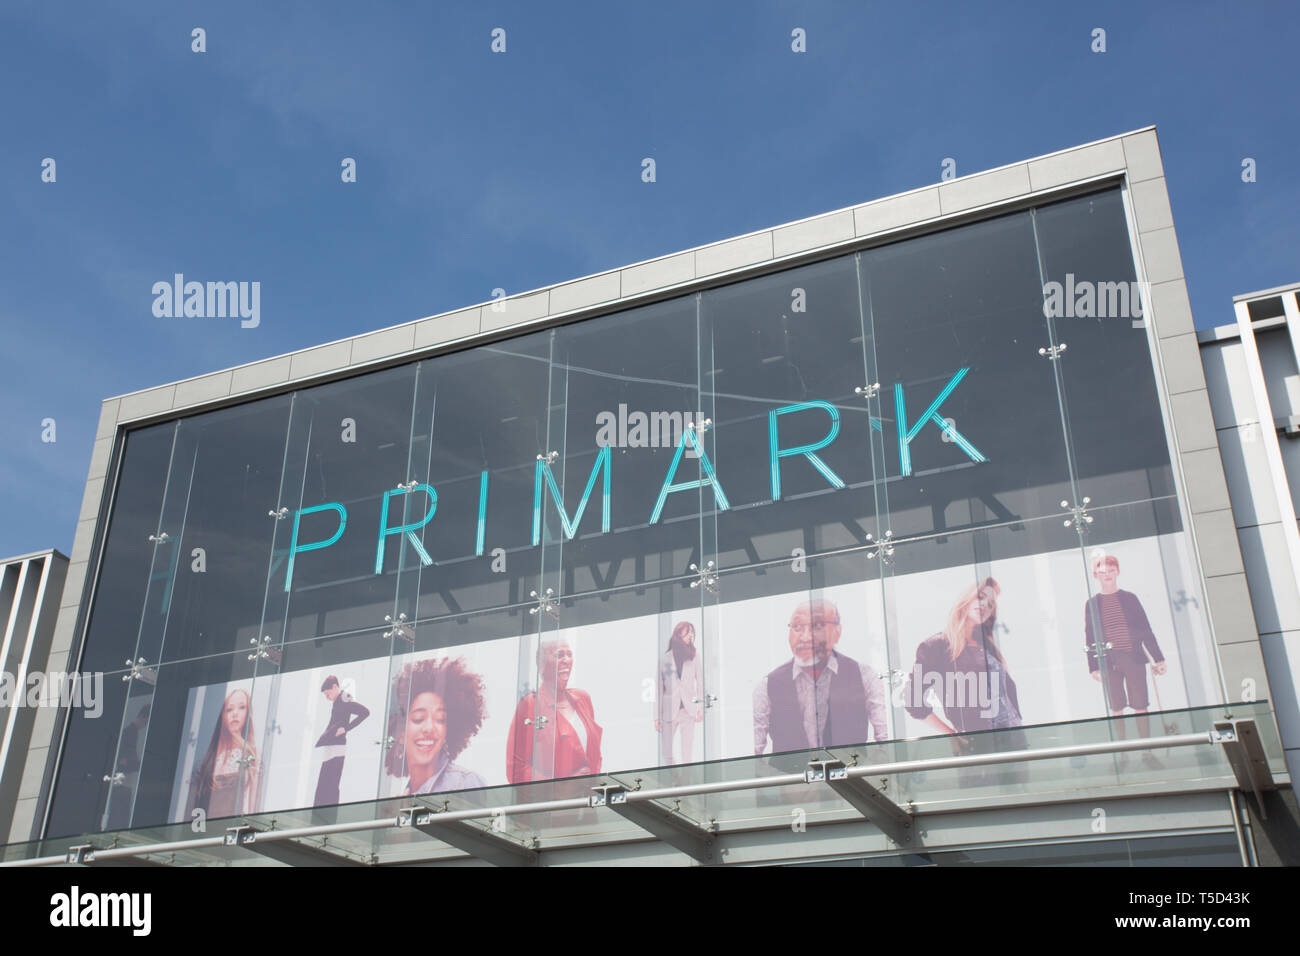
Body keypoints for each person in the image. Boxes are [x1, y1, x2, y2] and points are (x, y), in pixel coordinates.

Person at [902, 578, 1027, 786]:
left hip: (1015, 743)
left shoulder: (988, 647)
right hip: (978, 749)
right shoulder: (938, 646)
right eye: (981, 597)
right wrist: (950, 733)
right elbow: (913, 701)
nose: (985, 606)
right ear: (966, 599)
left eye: (990, 604)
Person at [752, 597, 888, 756]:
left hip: (851, 778)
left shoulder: (865, 677)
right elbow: (755, 758)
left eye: (816, 626)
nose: (805, 637)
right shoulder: (767, 685)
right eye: (797, 627)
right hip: (793, 779)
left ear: (837, 631)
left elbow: (885, 743)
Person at [1084, 552, 1168, 765]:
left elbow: (1145, 629)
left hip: (1133, 656)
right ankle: (1121, 752)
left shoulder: (1130, 598)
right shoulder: (1092, 604)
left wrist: (1158, 658)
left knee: (1140, 704)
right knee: (1116, 706)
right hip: (1109, 660)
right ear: (1096, 575)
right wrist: (1093, 665)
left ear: (1117, 572)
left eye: (1111, 571)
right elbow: (1090, 634)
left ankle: (1146, 751)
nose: (1108, 575)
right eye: (1102, 572)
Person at [385, 658, 488, 795]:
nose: (429, 728)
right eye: (418, 719)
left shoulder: (465, 782)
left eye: (440, 720)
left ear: (448, 731)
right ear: (401, 734)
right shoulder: (404, 795)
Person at [507, 637, 602, 783]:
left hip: (586, 798)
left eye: (569, 654)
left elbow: (594, 754)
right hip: (553, 800)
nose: (566, 660)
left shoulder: (582, 699)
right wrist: (560, 788)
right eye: (559, 655)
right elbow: (516, 768)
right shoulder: (530, 705)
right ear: (542, 664)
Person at [186, 688, 259, 819]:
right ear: (223, 716)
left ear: (248, 713)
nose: (235, 714)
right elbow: (195, 804)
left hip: (232, 829)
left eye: (242, 707)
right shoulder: (208, 761)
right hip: (205, 831)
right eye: (229, 709)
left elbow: (252, 804)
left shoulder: (250, 756)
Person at [313, 675, 371, 806]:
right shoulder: (339, 700)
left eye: (327, 694)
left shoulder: (344, 699)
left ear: (334, 687)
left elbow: (365, 712)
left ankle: (325, 810)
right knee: (327, 781)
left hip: (336, 746)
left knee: (329, 781)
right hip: (332, 745)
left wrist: (346, 728)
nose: (327, 697)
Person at [656, 621, 703, 766]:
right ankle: (676, 779)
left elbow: (700, 682)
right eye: (687, 632)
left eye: (692, 632)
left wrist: (700, 708)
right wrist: (656, 717)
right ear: (678, 634)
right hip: (669, 712)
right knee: (666, 752)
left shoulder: (694, 656)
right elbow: (658, 689)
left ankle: (686, 784)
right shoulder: (665, 659)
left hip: (688, 711)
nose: (691, 635)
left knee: (687, 754)